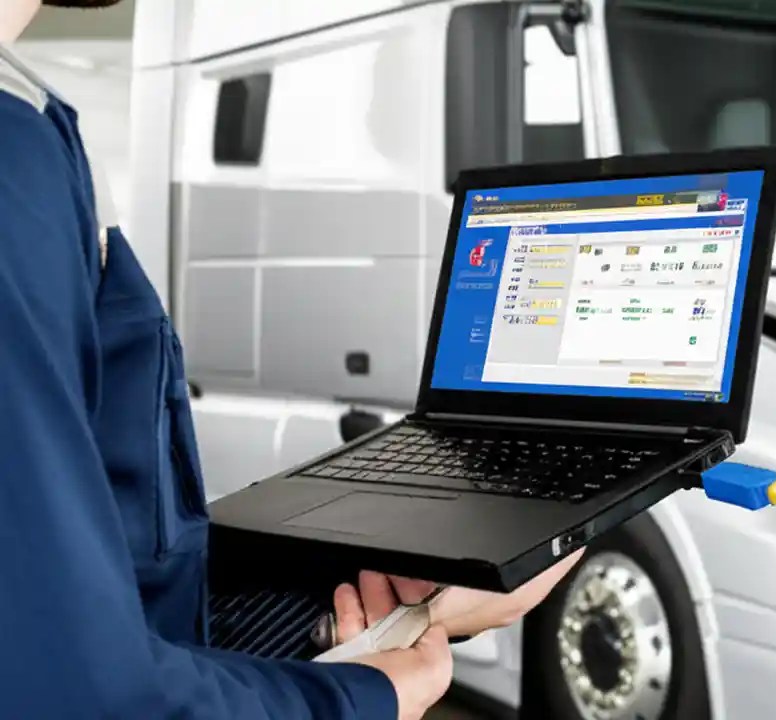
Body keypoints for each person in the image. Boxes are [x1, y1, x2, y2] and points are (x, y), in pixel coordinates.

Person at [0, 2, 580, 718]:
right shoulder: (9, 150)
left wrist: (382, 608)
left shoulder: (31, 123)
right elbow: (82, 693)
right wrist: (372, 696)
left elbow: (98, 605)